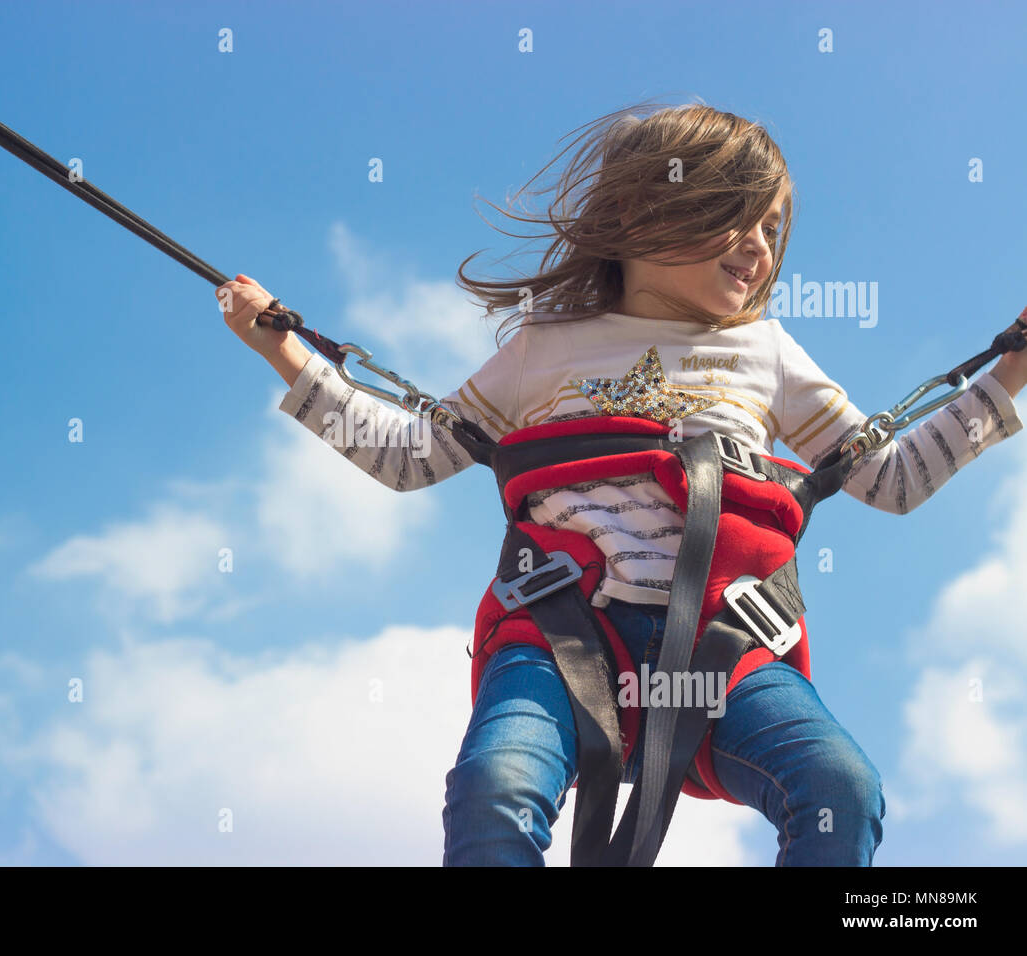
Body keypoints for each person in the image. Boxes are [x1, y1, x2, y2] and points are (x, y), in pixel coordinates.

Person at [217, 102, 1027, 866]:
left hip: (724, 647)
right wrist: (283, 351)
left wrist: (1012, 370)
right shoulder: (547, 347)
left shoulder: (767, 355)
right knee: (493, 786)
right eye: (730, 217)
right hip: (565, 636)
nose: (758, 245)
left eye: (771, 227)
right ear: (640, 216)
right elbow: (410, 455)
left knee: (839, 786)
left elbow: (889, 476)